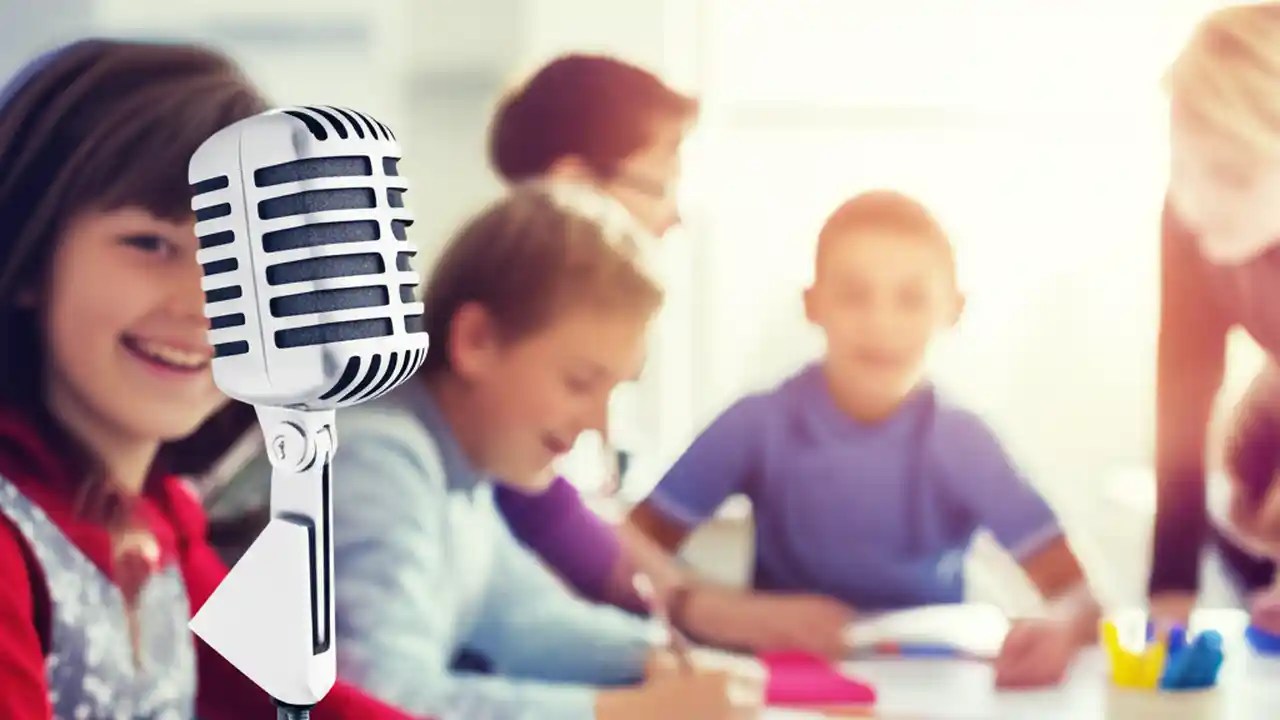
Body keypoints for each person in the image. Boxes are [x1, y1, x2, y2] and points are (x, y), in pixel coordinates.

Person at [0, 39, 426, 720]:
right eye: (151, 244)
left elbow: (281, 697)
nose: (206, 301)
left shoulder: (161, 514)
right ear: (25, 256)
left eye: (235, 257)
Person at [628, 190, 1102, 688]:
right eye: (854, 294)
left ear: (954, 309)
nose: (881, 322)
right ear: (812, 305)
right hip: (783, 688)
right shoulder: (757, 424)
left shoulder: (965, 441)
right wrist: (728, 611)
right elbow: (621, 549)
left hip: (934, 693)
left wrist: (1059, 628)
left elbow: (1081, 595)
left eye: (911, 298)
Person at [328, 185, 751, 720]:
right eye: (579, 382)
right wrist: (627, 713)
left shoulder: (462, 474)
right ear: (476, 340)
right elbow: (381, 701)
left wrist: (658, 658)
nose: (598, 425)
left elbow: (523, 617)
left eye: (613, 391)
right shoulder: (377, 459)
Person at [486, 53, 857, 658]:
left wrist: (692, 605)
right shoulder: (506, 352)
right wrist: (700, 610)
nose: (674, 216)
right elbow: (536, 504)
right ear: (573, 187)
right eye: (659, 186)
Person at [1148, 2, 1280, 630]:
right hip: (1264, 443)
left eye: (1230, 173)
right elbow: (1182, 397)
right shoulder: (1188, 218)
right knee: (1252, 501)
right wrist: (1169, 596)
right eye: (1182, 164)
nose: (1197, 201)